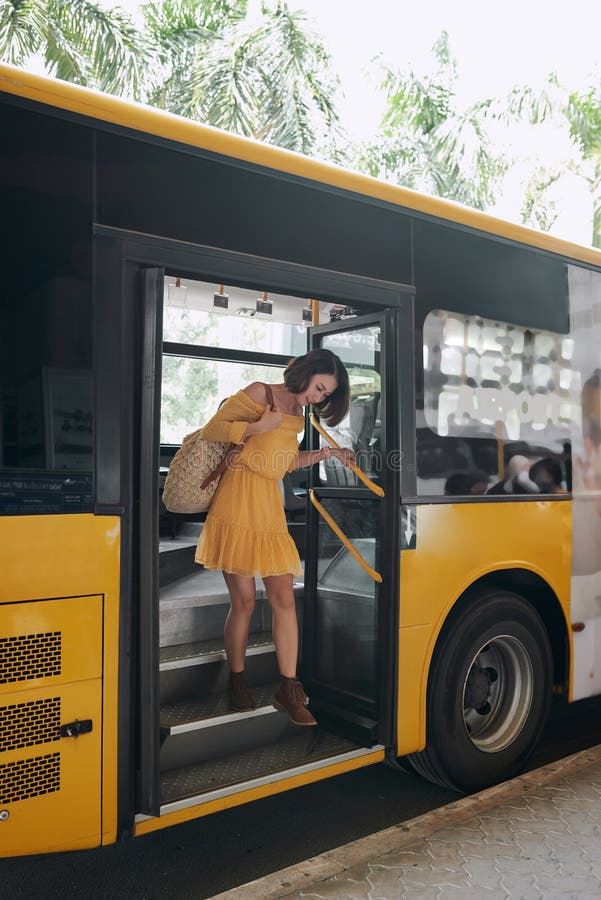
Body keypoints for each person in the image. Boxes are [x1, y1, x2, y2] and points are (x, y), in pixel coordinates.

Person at [195, 348, 355, 727]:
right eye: (319, 388)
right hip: (235, 504)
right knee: (246, 602)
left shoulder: (299, 416)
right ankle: (237, 679)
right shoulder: (259, 394)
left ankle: (288, 687)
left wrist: (327, 454)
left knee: (283, 595)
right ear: (306, 373)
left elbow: (283, 463)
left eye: (325, 395)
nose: (319, 398)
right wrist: (256, 427)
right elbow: (212, 430)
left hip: (268, 508)